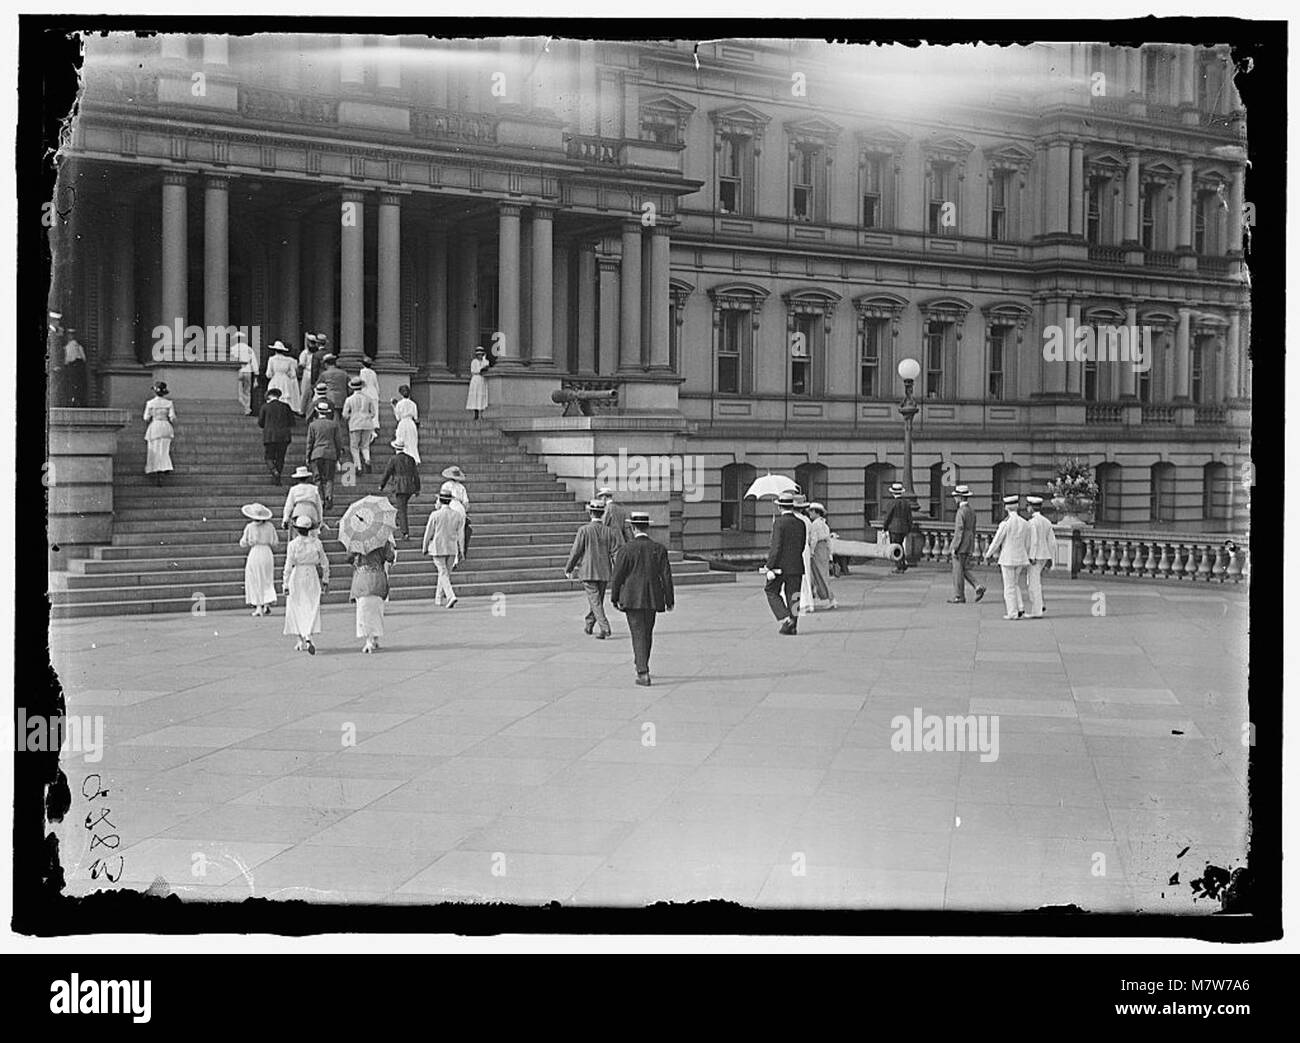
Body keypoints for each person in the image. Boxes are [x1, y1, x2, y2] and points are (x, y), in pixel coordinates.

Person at [610, 511, 674, 686]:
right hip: (653, 597)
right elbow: (666, 576)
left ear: (632, 528)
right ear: (648, 527)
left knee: (638, 633)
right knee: (647, 632)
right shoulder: (658, 549)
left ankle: (642, 671)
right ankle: (642, 662)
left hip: (631, 597)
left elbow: (618, 576)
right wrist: (669, 599)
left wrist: (614, 596)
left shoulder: (626, 549)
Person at [565, 499, 618, 639]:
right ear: (602, 514)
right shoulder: (609, 531)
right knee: (597, 600)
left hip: (588, 571)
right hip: (604, 571)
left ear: (590, 513)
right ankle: (589, 623)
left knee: (595, 601)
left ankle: (605, 627)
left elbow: (576, 551)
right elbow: (615, 552)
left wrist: (569, 568)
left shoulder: (584, 530)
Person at [282, 513, 329, 654]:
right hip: (312, 575)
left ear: (297, 529)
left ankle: (300, 638)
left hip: (297, 575)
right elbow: (325, 563)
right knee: (311, 605)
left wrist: (285, 583)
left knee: (296, 605)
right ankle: (308, 635)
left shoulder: (293, 545)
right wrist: (325, 579)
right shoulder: (317, 543)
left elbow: (288, 565)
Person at [764, 491, 806, 635]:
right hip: (796, 565)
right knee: (794, 596)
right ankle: (793, 625)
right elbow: (802, 545)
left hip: (780, 566)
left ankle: (785, 617)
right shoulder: (801, 523)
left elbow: (776, 547)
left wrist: (769, 565)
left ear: (780, 507)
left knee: (770, 591)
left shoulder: (779, 523)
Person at [985, 493, 1033, 620]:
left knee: (1009, 586)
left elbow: (997, 541)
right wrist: (1027, 555)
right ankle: (1020, 608)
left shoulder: (1005, 523)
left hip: (1008, 559)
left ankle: (1012, 612)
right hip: (1021, 557)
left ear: (1006, 507)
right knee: (1016, 584)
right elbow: (1028, 543)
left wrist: (988, 554)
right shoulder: (1025, 523)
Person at [350, 537, 396, 654]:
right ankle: (374, 637)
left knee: (363, 610)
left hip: (362, 577)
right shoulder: (382, 540)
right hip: (377, 577)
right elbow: (390, 557)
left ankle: (368, 640)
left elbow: (348, 557)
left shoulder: (357, 540)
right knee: (377, 609)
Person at [421, 490, 464, 609]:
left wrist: (424, 547)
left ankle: (450, 596)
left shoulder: (435, 515)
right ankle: (438, 598)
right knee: (445, 573)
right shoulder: (457, 515)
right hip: (451, 547)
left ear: (440, 500)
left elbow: (428, 532)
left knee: (443, 573)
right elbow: (461, 534)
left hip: (438, 547)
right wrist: (462, 549)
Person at [947, 484, 987, 605]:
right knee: (963, 569)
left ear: (959, 497)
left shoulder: (961, 511)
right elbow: (973, 529)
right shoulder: (971, 511)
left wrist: (955, 546)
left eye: (956, 497)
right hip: (968, 543)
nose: (954, 499)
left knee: (957, 571)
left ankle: (959, 596)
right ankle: (977, 586)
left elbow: (959, 530)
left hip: (961, 544)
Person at [304, 400, 348, 510]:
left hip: (317, 453)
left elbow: (310, 442)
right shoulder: (333, 425)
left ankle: (321, 499)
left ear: (317, 412)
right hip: (330, 453)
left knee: (318, 478)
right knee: (329, 478)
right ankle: (329, 497)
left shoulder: (313, 425)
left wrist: (307, 456)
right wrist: (338, 454)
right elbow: (338, 441)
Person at [239, 503, 278, 617]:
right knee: (267, 579)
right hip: (267, 553)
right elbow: (275, 542)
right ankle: (266, 603)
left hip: (255, 553)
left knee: (255, 579)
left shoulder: (250, 527)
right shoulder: (270, 526)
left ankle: (258, 606)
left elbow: (242, 543)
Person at [379, 438, 421, 539]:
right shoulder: (411, 459)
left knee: (402, 509)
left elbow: (387, 472)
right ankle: (400, 522)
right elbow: (416, 474)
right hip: (409, 486)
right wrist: (417, 488)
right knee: (402, 507)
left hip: (399, 486)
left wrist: (382, 485)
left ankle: (404, 532)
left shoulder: (394, 459)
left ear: (395, 448)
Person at [1024, 495, 1058, 618]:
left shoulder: (1032, 523)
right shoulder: (1046, 521)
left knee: (1033, 584)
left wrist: (1031, 556)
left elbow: (1033, 541)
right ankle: (1040, 605)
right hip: (1044, 555)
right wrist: (1051, 559)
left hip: (1036, 556)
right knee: (1035, 582)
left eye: (1028, 506)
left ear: (1031, 508)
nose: (1027, 509)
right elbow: (1052, 542)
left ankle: (1037, 610)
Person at [257, 387, 295, 485]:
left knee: (269, 457)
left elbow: (261, 422)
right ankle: (277, 477)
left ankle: (274, 471)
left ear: (269, 396)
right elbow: (292, 422)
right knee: (280, 458)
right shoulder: (286, 406)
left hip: (270, 436)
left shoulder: (265, 407)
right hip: (284, 436)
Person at [142, 381, 176, 486]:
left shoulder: (150, 403)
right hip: (165, 426)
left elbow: (146, 417)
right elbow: (172, 417)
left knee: (154, 449)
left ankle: (155, 468)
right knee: (164, 449)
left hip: (155, 426)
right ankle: (165, 466)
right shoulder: (169, 403)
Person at [342, 377, 377, 475]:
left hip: (355, 423)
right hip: (367, 423)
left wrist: (350, 416)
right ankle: (367, 459)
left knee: (354, 446)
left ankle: (358, 466)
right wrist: (367, 416)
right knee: (365, 445)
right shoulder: (368, 398)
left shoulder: (349, 399)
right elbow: (373, 413)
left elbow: (345, 414)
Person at [806, 502, 838, 610]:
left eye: (811, 511)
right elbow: (828, 540)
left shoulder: (815, 524)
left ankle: (830, 598)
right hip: (824, 550)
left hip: (818, 550)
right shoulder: (824, 523)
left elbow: (814, 539)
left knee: (819, 574)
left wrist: (811, 552)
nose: (809, 513)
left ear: (815, 512)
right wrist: (830, 555)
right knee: (821, 574)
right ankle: (825, 597)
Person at [881, 482, 913, 573]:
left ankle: (899, 566)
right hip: (904, 528)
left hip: (894, 528)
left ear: (893, 493)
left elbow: (888, 516)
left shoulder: (892, 503)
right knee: (900, 545)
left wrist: (884, 528)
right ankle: (903, 563)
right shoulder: (906, 503)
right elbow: (909, 517)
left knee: (895, 547)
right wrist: (909, 527)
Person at [440, 465, 470, 558]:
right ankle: (460, 552)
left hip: (449, 507)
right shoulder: (461, 487)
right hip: (460, 508)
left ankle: (450, 554)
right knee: (460, 533)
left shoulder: (445, 485)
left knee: (449, 532)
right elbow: (466, 503)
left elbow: (440, 500)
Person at [282, 465, 323, 531]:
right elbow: (318, 505)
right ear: (307, 478)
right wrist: (320, 519)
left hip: (298, 510)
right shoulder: (314, 488)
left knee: (297, 531)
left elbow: (289, 505)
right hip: (311, 510)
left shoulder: (294, 489)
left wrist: (285, 519)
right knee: (312, 532)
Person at [391, 385, 421, 465]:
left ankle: (402, 459)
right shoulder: (413, 404)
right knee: (412, 441)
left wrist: (394, 406)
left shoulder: (399, 404)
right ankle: (414, 458)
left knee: (402, 441)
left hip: (403, 423)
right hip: (411, 424)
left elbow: (398, 417)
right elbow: (416, 416)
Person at [264, 340, 299, 408]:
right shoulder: (289, 360)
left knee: (273, 396)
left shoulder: (272, 359)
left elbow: (268, 374)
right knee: (285, 398)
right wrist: (286, 374)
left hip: (275, 379)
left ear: (275, 350)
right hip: (285, 381)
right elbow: (293, 374)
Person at [598, 487, 634, 551]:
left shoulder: (606, 509)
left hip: (610, 545)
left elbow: (602, 527)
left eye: (601, 498)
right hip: (622, 544)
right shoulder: (621, 509)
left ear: (604, 497)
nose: (601, 500)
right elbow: (627, 530)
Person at [233, 332, 260, 416]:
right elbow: (254, 362)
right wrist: (256, 374)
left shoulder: (233, 349)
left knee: (239, 390)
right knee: (247, 391)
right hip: (248, 370)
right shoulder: (249, 349)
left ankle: (241, 407)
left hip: (238, 370)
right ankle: (247, 409)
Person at [63, 329, 87, 407]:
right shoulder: (67, 346)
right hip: (72, 367)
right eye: (69, 335)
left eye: (72, 335)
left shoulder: (77, 346)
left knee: (75, 385)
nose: (70, 336)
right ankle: (72, 401)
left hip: (75, 367)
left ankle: (75, 401)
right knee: (72, 385)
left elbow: (83, 358)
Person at [359, 357, 381, 439]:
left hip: (366, 393)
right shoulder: (373, 372)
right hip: (374, 393)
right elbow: (376, 384)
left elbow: (363, 383)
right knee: (374, 411)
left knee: (366, 411)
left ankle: (369, 430)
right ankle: (373, 429)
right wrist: (378, 394)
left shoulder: (362, 372)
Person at [466, 345, 490, 419]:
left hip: (482, 379)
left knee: (482, 396)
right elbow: (474, 370)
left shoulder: (485, 361)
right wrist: (480, 369)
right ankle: (476, 414)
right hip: (476, 379)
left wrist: (484, 360)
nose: (480, 356)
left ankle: (482, 413)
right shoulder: (474, 362)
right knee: (475, 396)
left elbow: (486, 366)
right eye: (479, 354)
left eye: (481, 354)